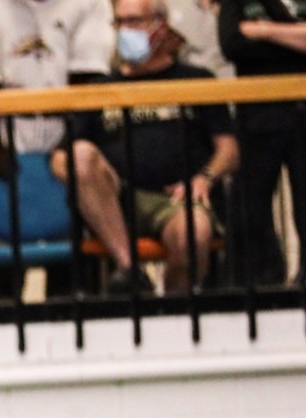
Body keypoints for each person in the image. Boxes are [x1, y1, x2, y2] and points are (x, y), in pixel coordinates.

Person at [58, 0, 238, 296]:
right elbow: (60, 158)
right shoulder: (99, 88)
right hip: (117, 200)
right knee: (79, 154)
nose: (126, 31)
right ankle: (130, 270)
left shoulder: (197, 80)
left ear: (161, 25)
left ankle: (170, 310)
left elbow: (229, 150)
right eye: (120, 23)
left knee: (193, 235)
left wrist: (205, 177)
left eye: (135, 21)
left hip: (177, 198)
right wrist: (91, 178)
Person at [0, 0, 113, 299]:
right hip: (10, 141)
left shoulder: (89, 5)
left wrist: (65, 149)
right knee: (0, 275)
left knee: (72, 277)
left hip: (67, 136)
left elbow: (88, 85)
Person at [219, 0, 306, 287]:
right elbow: (232, 42)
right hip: (257, 112)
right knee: (250, 208)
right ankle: (259, 285)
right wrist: (299, 35)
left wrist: (263, 29)